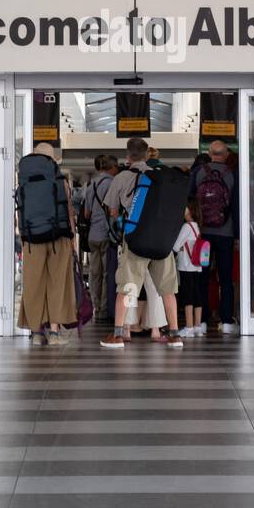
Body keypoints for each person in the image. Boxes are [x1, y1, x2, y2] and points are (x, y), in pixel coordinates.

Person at [100, 136, 182, 350]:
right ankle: (174, 335)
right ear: (147, 155)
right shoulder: (159, 176)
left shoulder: (121, 177)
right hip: (161, 240)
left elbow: (112, 210)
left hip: (136, 239)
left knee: (127, 287)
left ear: (128, 156)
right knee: (167, 289)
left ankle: (118, 335)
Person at [17, 142, 77, 347]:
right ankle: (53, 332)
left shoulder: (24, 180)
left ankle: (36, 333)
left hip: (31, 238)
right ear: (52, 161)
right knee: (57, 283)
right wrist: (72, 238)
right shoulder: (60, 180)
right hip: (58, 237)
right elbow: (69, 211)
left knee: (33, 283)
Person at [192, 139, 238, 332]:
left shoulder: (198, 173)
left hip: (203, 235)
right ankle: (226, 322)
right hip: (226, 234)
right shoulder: (233, 174)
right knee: (225, 278)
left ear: (209, 154)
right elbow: (236, 206)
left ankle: (201, 321)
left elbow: (190, 202)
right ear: (226, 155)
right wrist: (237, 234)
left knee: (201, 277)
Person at [83, 154, 115, 322]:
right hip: (106, 234)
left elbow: (86, 214)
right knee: (107, 273)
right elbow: (113, 211)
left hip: (92, 236)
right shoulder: (112, 183)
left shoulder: (91, 185)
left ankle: (96, 306)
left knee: (95, 273)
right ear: (111, 167)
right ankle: (104, 308)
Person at [173, 198, 207, 339]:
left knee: (187, 296)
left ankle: (189, 327)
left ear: (190, 210)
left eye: (185, 207)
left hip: (186, 266)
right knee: (197, 295)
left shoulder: (186, 227)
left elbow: (175, 246)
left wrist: (180, 247)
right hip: (197, 266)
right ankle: (198, 327)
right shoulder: (197, 226)